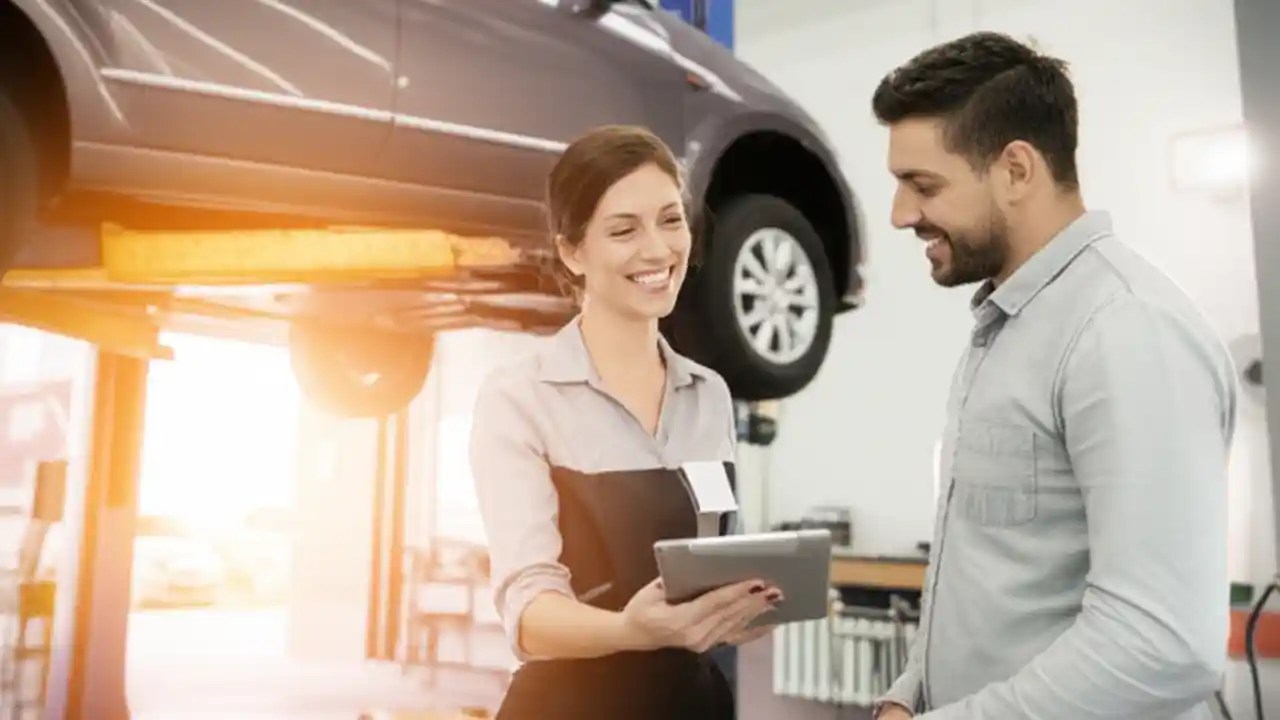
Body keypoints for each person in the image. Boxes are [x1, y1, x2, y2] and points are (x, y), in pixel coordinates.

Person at [869, 32, 1237, 720]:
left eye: (923, 185)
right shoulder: (1007, 329)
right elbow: (986, 576)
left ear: (1016, 170)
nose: (900, 215)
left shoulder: (1124, 332)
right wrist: (909, 694)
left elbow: (1162, 644)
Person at [469, 125, 781, 720]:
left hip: (694, 705)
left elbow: (714, 564)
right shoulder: (520, 396)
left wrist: (745, 609)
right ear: (571, 251)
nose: (658, 250)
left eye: (670, 220)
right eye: (623, 230)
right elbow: (529, 613)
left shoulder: (708, 394)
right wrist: (631, 631)